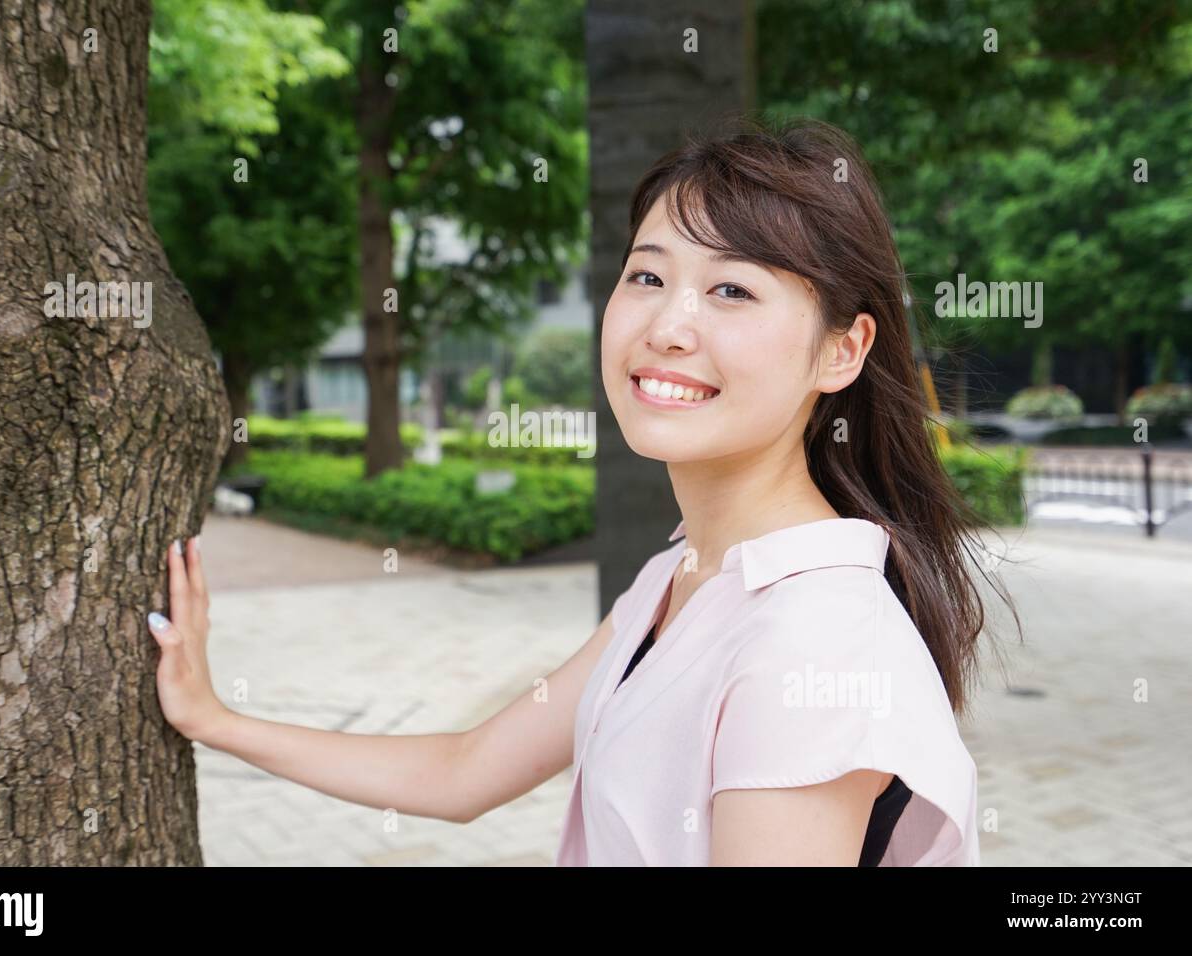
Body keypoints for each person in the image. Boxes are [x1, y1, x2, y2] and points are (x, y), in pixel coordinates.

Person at [146, 115, 1018, 866]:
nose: (668, 326)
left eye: (731, 289)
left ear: (841, 350)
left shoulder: (818, 639)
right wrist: (218, 721)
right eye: (648, 276)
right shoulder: (682, 578)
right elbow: (464, 771)